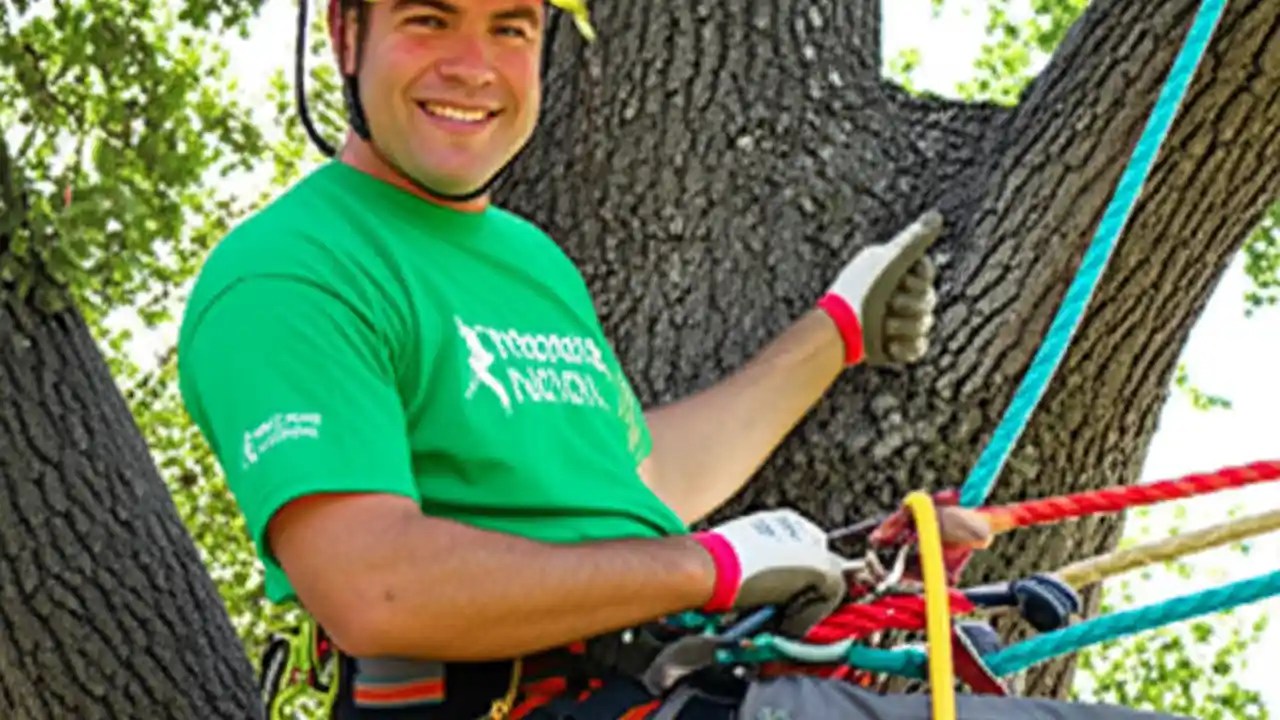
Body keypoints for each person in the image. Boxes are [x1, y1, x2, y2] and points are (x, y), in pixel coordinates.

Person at [175, 0, 988, 717]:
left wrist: (836, 334)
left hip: (663, 690)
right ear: (346, 33)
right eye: (429, 20)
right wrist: (710, 568)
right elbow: (375, 589)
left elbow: (638, 479)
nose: (473, 67)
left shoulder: (531, 262)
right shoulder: (292, 267)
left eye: (510, 28)